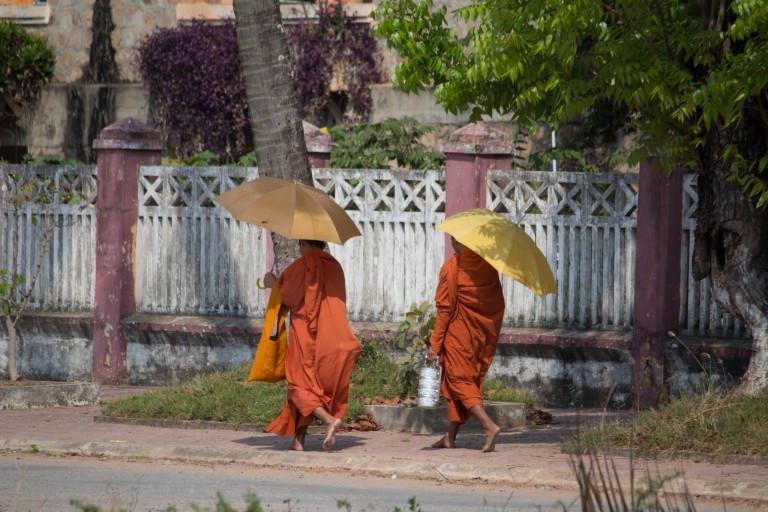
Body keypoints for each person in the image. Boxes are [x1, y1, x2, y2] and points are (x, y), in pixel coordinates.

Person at [262, 239, 361, 452]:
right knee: (307, 387)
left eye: (300, 244)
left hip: (306, 338)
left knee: (297, 385)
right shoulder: (335, 266)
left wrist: (272, 284)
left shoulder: (300, 266)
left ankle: (328, 420)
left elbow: (289, 297)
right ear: (324, 243)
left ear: (302, 243)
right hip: (332, 338)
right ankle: (299, 441)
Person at [427, 236, 506, 452]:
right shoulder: (488, 266)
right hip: (479, 334)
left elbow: (444, 310)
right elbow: (496, 302)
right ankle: (449, 437)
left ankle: (489, 426)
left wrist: (435, 344)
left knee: (459, 380)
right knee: (459, 383)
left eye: (453, 238)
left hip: (458, 335)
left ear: (457, 240)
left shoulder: (452, 267)